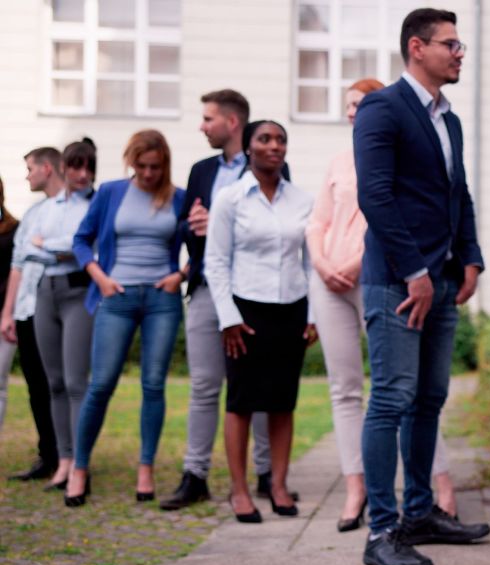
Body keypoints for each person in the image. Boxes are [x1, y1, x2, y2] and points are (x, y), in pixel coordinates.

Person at [354, 7, 490, 565]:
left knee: (430, 399)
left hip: (440, 279)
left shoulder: (449, 119)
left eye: (460, 46)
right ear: (417, 47)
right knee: (391, 398)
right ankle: (381, 531)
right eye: (450, 45)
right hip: (397, 282)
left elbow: (458, 194)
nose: (460, 54)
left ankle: (419, 513)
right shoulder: (383, 108)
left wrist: (473, 259)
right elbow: (376, 196)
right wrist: (413, 272)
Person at [308, 78, 460, 533]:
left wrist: (352, 264)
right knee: (347, 390)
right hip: (330, 279)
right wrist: (321, 262)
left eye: (363, 103)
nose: (354, 111)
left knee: (407, 391)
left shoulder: (397, 151)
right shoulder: (338, 161)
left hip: (381, 272)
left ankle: (437, 488)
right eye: (349, 105)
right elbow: (318, 221)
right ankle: (358, 490)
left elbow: (383, 211)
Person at [160, 89, 288, 511]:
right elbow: (182, 228)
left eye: (208, 118)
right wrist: (193, 225)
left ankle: (268, 475)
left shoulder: (273, 166)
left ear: (233, 123)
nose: (202, 125)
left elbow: (278, 224)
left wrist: (219, 221)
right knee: (203, 385)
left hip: (254, 294)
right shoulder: (200, 171)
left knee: (260, 387)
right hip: (204, 289)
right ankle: (194, 475)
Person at [205, 120, 318, 523]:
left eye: (280, 139)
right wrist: (228, 318)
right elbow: (215, 262)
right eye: (265, 139)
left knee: (283, 403)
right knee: (241, 403)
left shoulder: (303, 200)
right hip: (245, 312)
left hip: (291, 308)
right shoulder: (230, 198)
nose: (274, 146)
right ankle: (239, 491)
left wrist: (313, 316)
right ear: (249, 147)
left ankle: (279, 485)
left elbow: (310, 263)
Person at [65, 130, 185, 507]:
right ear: (130, 162)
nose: (148, 174)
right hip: (116, 296)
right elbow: (81, 240)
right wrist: (100, 278)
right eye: (141, 166)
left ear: (164, 163)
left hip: (161, 299)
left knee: (153, 385)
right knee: (100, 384)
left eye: (155, 167)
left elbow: (202, 246)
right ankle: (79, 467)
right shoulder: (112, 192)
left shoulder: (178, 198)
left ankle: (145, 467)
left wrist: (180, 275)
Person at [31, 139, 98, 492]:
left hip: (79, 292)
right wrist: (58, 247)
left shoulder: (96, 204)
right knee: (53, 382)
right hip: (47, 292)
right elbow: (30, 243)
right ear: (63, 168)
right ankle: (64, 458)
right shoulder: (49, 206)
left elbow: (82, 246)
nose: (83, 174)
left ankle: (80, 464)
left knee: (76, 383)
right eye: (76, 166)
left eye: (89, 167)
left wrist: (53, 246)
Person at [1, 149, 58, 481]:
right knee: (36, 386)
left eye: (30, 169)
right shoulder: (33, 214)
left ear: (46, 169)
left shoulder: (61, 210)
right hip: (24, 309)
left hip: (48, 308)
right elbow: (18, 266)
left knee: (59, 385)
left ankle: (67, 456)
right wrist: (9, 311)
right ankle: (47, 455)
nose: (26, 175)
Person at [0, 176, 22, 436]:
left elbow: (17, 272)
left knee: (0, 384)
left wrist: (8, 312)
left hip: (4, 314)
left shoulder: (14, 228)